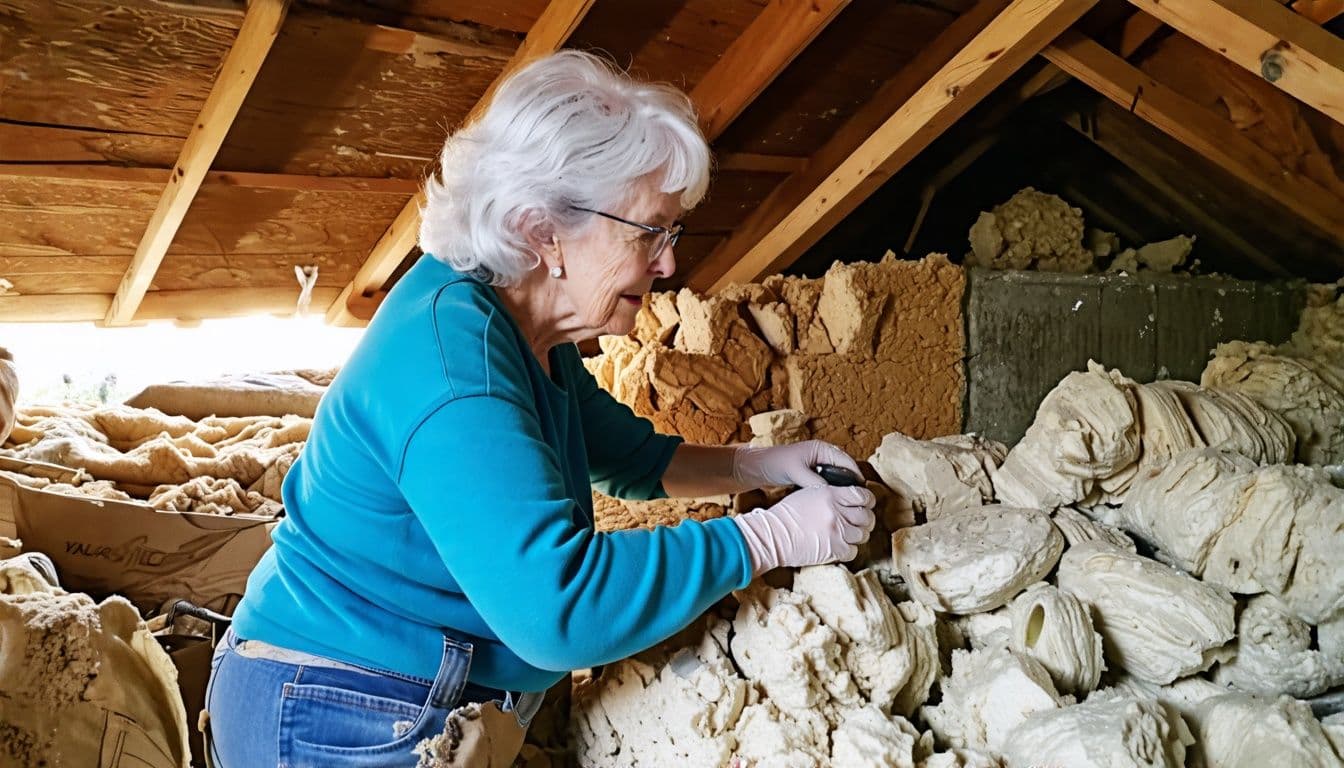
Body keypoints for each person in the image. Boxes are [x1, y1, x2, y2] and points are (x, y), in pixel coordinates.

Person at [205, 50, 876, 767]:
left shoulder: (518, 321)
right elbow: (560, 612)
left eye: (671, 234)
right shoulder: (450, 366)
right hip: (332, 711)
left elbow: (627, 457)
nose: (669, 264)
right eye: (650, 232)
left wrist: (757, 463)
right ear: (542, 231)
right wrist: (764, 540)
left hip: (398, 691)